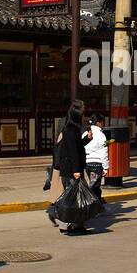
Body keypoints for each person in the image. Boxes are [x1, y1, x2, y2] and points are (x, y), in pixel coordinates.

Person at [53, 99, 90, 234]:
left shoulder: (73, 129)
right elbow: (73, 151)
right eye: (83, 113)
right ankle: (70, 223)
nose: (84, 116)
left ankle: (72, 224)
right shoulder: (71, 129)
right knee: (74, 198)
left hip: (72, 168)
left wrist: (87, 139)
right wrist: (76, 170)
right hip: (71, 169)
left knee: (73, 198)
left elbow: (77, 146)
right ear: (77, 114)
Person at [83, 112, 109, 201]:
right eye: (102, 122)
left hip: (87, 163)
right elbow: (104, 152)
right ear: (98, 123)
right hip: (96, 165)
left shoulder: (85, 133)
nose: (103, 124)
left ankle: (98, 203)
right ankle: (94, 204)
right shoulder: (101, 135)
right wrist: (106, 167)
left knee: (94, 184)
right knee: (95, 186)